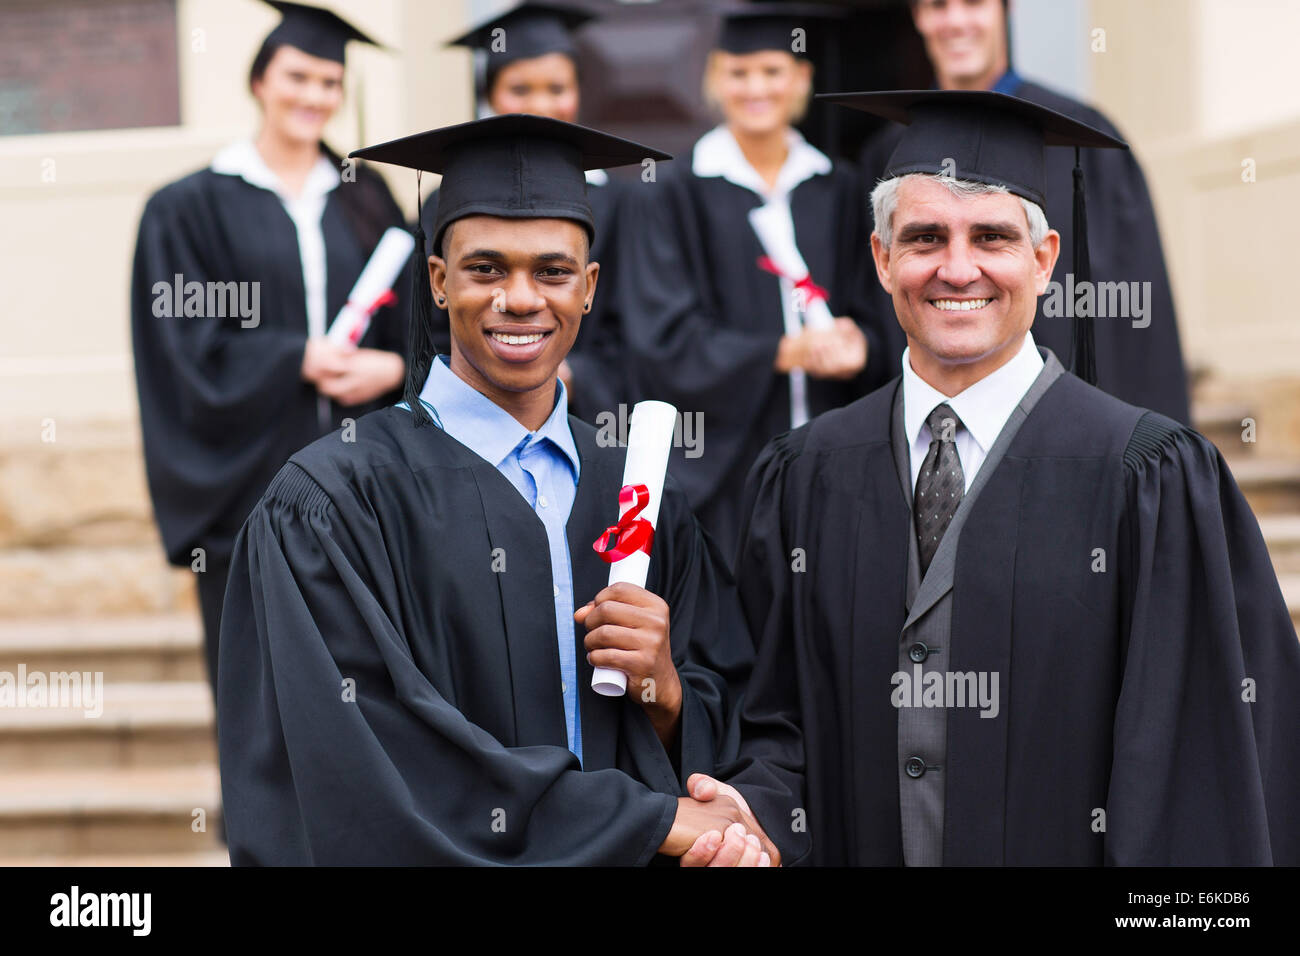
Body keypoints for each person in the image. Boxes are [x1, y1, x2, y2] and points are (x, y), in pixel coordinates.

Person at [689, 91, 1300, 866]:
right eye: (924, 237)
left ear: (1044, 259)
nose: (956, 268)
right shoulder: (805, 477)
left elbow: (1195, 773)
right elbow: (776, 724)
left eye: (991, 237)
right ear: (881, 259)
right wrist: (754, 809)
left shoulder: (1147, 478)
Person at [216, 113, 776, 866]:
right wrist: (643, 821)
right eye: (486, 269)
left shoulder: (638, 497)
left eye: (553, 271)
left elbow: (740, 720)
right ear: (440, 282)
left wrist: (667, 696)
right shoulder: (334, 503)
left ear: (588, 287)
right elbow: (369, 763)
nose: (520, 298)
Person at [130, 1, 409, 696]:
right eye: (298, 77)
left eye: (328, 83)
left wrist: (395, 367)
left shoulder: (366, 196)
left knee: (362, 698)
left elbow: (421, 326)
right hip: (248, 495)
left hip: (362, 493)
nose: (314, 96)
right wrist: (296, 359)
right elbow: (182, 350)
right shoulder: (189, 207)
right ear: (260, 81)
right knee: (256, 697)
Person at [620, 4, 893, 553]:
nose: (755, 88)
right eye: (738, 73)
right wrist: (784, 352)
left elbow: (878, 306)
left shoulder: (840, 189)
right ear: (715, 80)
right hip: (725, 479)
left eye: (772, 71)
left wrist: (863, 343)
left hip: (833, 462)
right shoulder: (672, 193)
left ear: (801, 79)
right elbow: (661, 339)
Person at [857, 0, 1190, 423]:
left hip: (1072, 424)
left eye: (974, 3)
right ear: (918, 17)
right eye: (938, 6)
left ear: (1005, 9)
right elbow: (873, 309)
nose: (956, 20)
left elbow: (1138, 309)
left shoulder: (1083, 140)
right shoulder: (885, 155)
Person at [417, 1, 628, 425]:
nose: (540, 104)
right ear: (489, 94)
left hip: (587, 415)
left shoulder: (622, 203)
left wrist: (561, 370)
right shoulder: (447, 202)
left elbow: (640, 333)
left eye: (556, 88)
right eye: (520, 88)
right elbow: (426, 329)